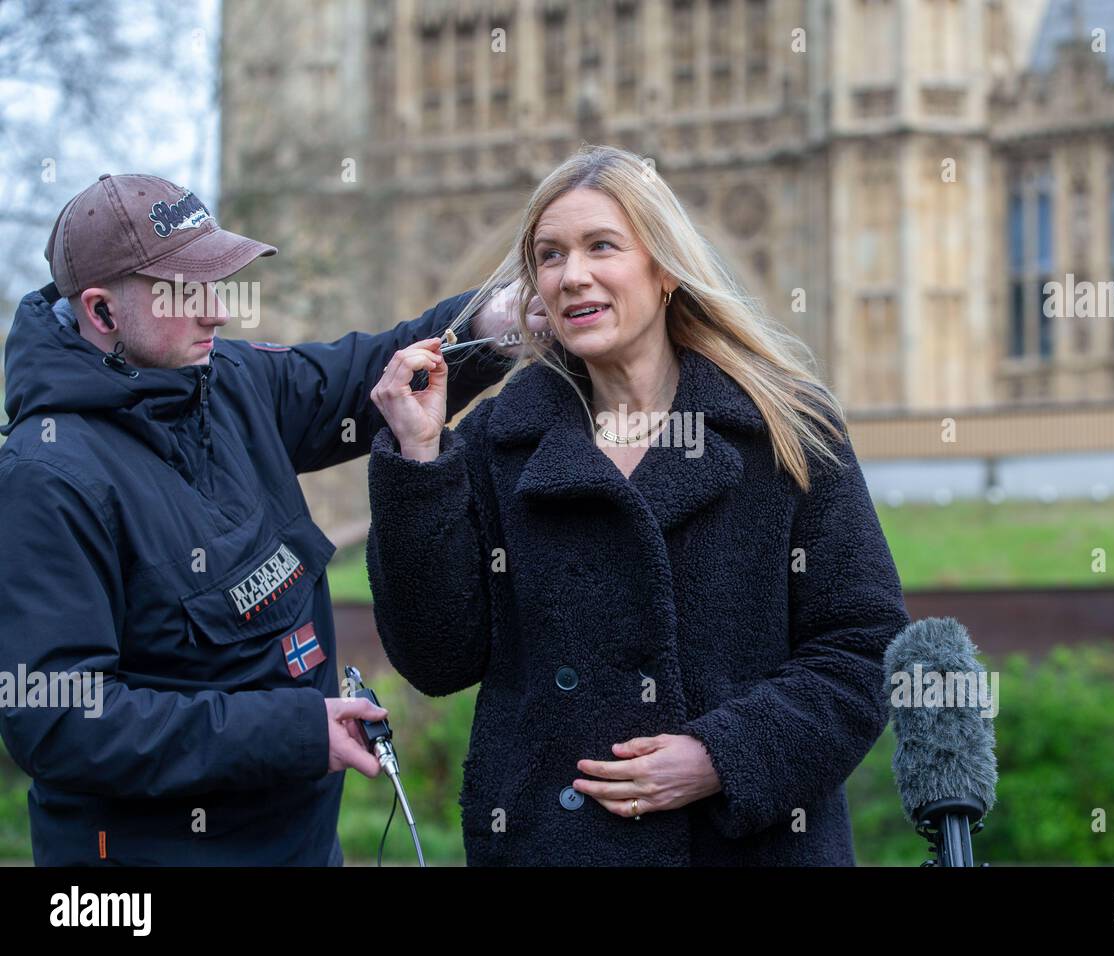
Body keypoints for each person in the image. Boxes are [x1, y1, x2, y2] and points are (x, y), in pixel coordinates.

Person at [366, 145, 912, 865]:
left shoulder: (783, 427)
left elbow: (864, 648)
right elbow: (438, 660)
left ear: (662, 270)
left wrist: (722, 757)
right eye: (550, 257)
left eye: (602, 247)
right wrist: (418, 458)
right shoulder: (499, 443)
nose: (572, 276)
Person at [0, 173, 529, 865]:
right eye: (187, 292)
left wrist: (491, 326)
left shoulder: (229, 380)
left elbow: (371, 374)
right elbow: (65, 722)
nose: (219, 312)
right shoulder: (49, 475)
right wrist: (297, 732)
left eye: (218, 283)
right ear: (101, 313)